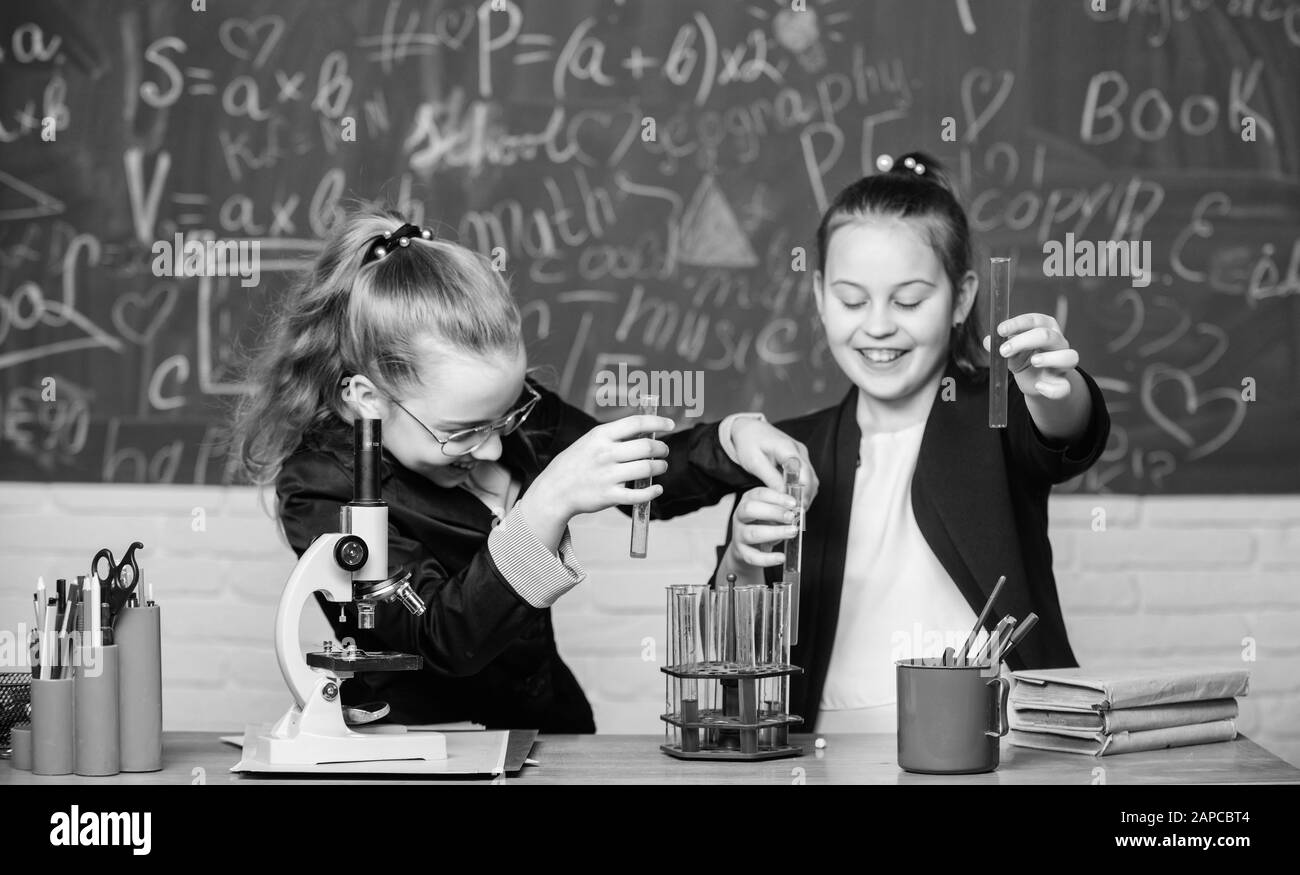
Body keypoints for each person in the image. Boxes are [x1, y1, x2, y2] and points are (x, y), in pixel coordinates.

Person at [231, 208, 815, 733]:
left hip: (550, 738)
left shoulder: (504, 417)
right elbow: (437, 640)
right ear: (365, 398)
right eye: (459, 432)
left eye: (507, 415)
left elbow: (645, 481)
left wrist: (732, 440)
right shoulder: (320, 489)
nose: (489, 449)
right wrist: (547, 503)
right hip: (421, 756)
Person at [712, 152, 1111, 733]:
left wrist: (1054, 388)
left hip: (1001, 759)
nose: (877, 325)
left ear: (964, 298)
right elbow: (726, 663)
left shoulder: (998, 420)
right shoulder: (787, 451)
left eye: (908, 301)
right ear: (820, 296)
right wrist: (742, 562)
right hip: (831, 764)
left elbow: (1067, 432)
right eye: (852, 300)